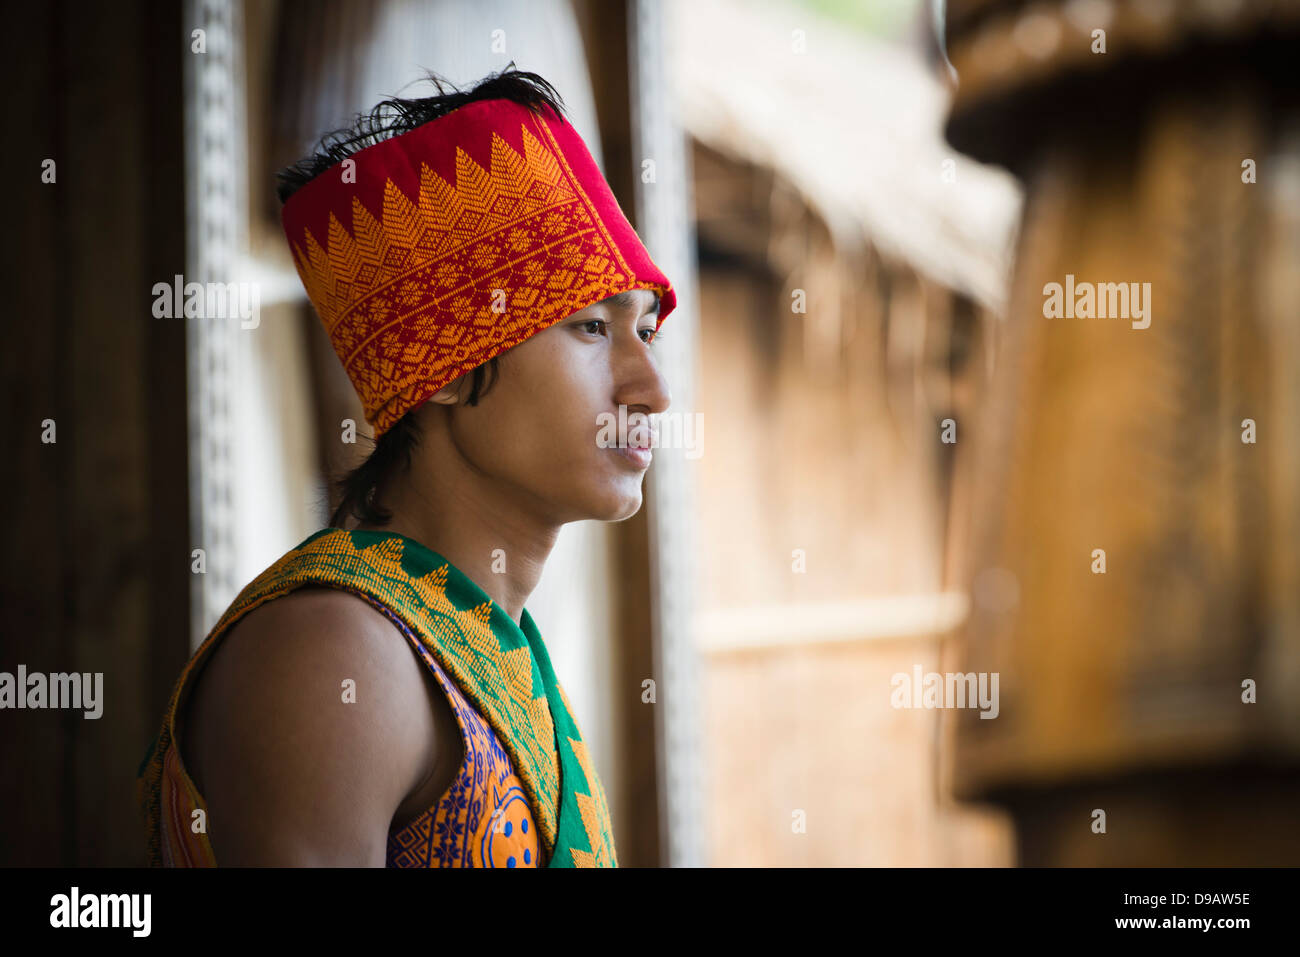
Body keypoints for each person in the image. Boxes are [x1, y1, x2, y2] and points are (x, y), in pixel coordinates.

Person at [135, 65, 676, 868]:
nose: (652, 390)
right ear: (446, 366)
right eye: (592, 327)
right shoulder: (334, 653)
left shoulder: (491, 655)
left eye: (647, 332)